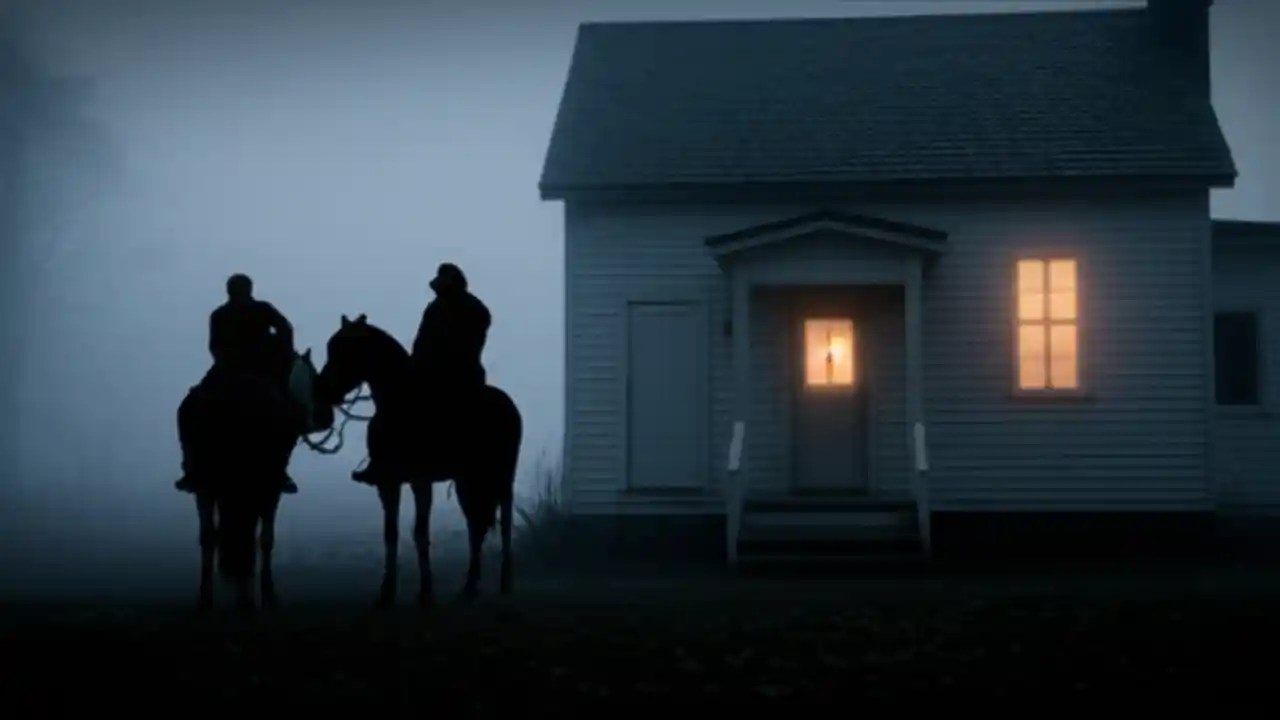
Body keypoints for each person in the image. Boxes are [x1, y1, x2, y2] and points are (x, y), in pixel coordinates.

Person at [351, 262, 491, 484]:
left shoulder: (474, 309)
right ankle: (381, 461)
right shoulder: (434, 308)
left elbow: (469, 346)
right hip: (426, 371)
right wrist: (413, 364)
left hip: (460, 375)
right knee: (390, 410)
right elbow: (421, 339)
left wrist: (437, 363)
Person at [176, 273, 300, 494]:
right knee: (189, 407)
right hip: (243, 369)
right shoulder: (241, 311)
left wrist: (281, 353)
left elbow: (214, 346)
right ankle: (279, 471)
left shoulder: (232, 312)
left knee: (189, 408)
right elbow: (285, 329)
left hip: (237, 369)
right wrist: (284, 353)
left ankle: (192, 470)